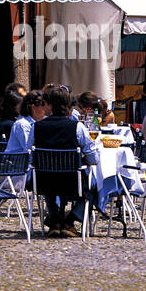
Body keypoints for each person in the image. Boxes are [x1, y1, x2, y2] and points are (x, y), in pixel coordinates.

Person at [32, 88, 99, 237]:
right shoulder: (78, 127)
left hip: (44, 182)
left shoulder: (36, 127)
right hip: (72, 182)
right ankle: (70, 220)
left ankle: (55, 219)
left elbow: (30, 156)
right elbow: (94, 158)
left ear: (49, 105)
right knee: (95, 186)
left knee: (48, 176)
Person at [5, 90, 49, 154]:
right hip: (15, 161)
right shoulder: (22, 124)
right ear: (33, 107)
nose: (44, 111)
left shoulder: (38, 122)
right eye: (43, 108)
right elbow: (28, 149)